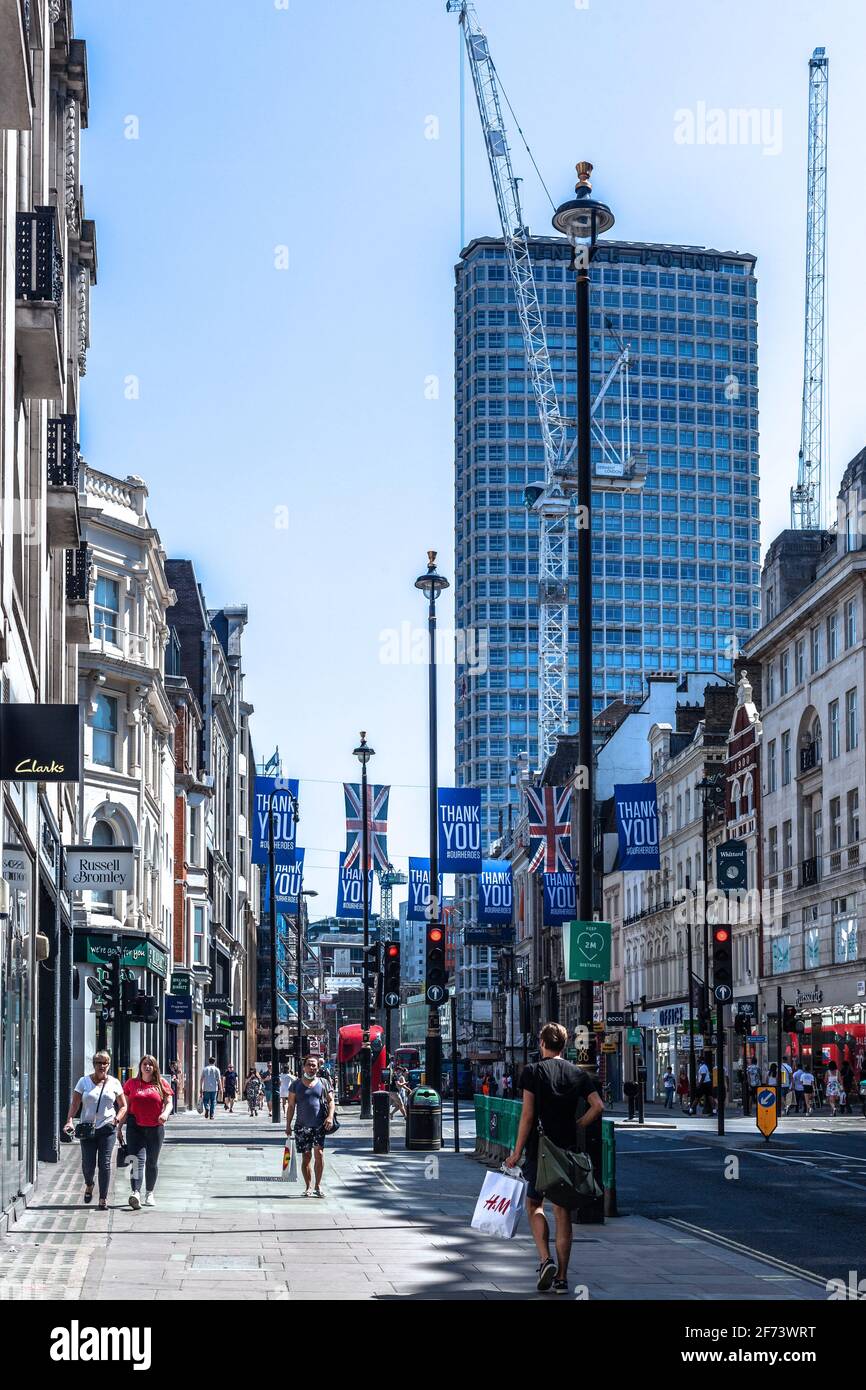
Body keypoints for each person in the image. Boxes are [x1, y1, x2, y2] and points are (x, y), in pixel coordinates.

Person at [505, 1023, 603, 1296]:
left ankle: (544, 1259)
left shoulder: (533, 1072)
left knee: (534, 1205)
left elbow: (527, 1116)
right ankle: (562, 1279)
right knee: (562, 1213)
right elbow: (599, 1106)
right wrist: (579, 1124)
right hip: (568, 1150)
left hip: (540, 1150)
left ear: (542, 1043)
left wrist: (516, 1152)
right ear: (565, 1043)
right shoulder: (577, 1073)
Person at [64, 1051, 127, 1210]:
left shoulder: (114, 1083)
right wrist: (69, 1121)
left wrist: (116, 1120)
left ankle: (103, 1199)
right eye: (99, 1063)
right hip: (87, 1129)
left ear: (109, 1065)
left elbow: (124, 1106)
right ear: (94, 1064)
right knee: (88, 1165)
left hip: (108, 1128)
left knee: (105, 1163)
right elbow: (75, 1104)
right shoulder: (83, 1082)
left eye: (105, 1063)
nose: (102, 1066)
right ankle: (89, 1184)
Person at [120, 1056, 173, 1209]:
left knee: (151, 1162)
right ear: (140, 1066)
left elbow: (169, 1102)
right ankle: (135, 1192)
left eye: (151, 1064)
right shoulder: (132, 1084)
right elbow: (126, 1106)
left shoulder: (161, 1083)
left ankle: (149, 1193)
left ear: (155, 1067)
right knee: (135, 1160)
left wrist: (165, 1113)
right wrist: (119, 1128)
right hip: (135, 1126)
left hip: (155, 1127)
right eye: (145, 1064)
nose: (148, 1066)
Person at [285, 1054, 335, 1198]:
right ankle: (308, 1186)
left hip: (319, 1125)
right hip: (301, 1126)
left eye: (314, 1065)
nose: (311, 1068)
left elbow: (331, 1101)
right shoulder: (295, 1084)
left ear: (318, 1068)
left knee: (319, 1154)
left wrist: (330, 1117)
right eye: (309, 1065)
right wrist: (288, 1125)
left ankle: (318, 1186)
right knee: (306, 1157)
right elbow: (291, 1106)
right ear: (304, 1066)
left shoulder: (324, 1083)